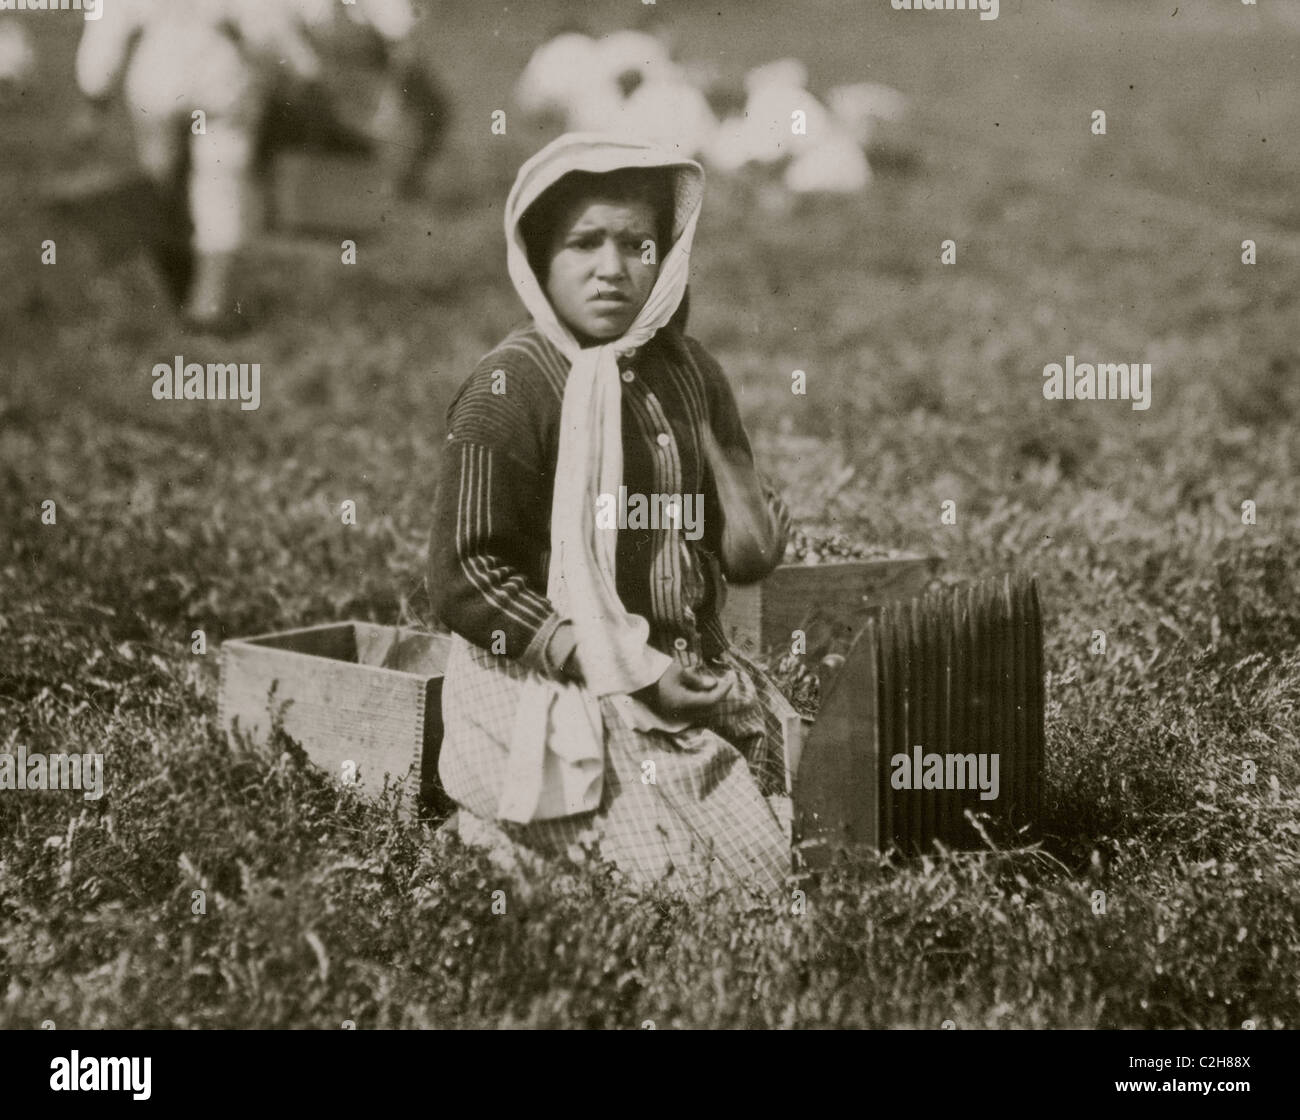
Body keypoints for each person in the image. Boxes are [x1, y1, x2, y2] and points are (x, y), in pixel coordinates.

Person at [429, 133, 799, 896]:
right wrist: (610, 664)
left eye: (640, 245)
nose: (612, 269)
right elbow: (464, 575)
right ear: (538, 259)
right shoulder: (513, 388)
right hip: (553, 677)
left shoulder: (687, 372)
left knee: (833, 820)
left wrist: (738, 511)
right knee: (720, 886)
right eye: (584, 244)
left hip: (682, 662)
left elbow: (731, 546)